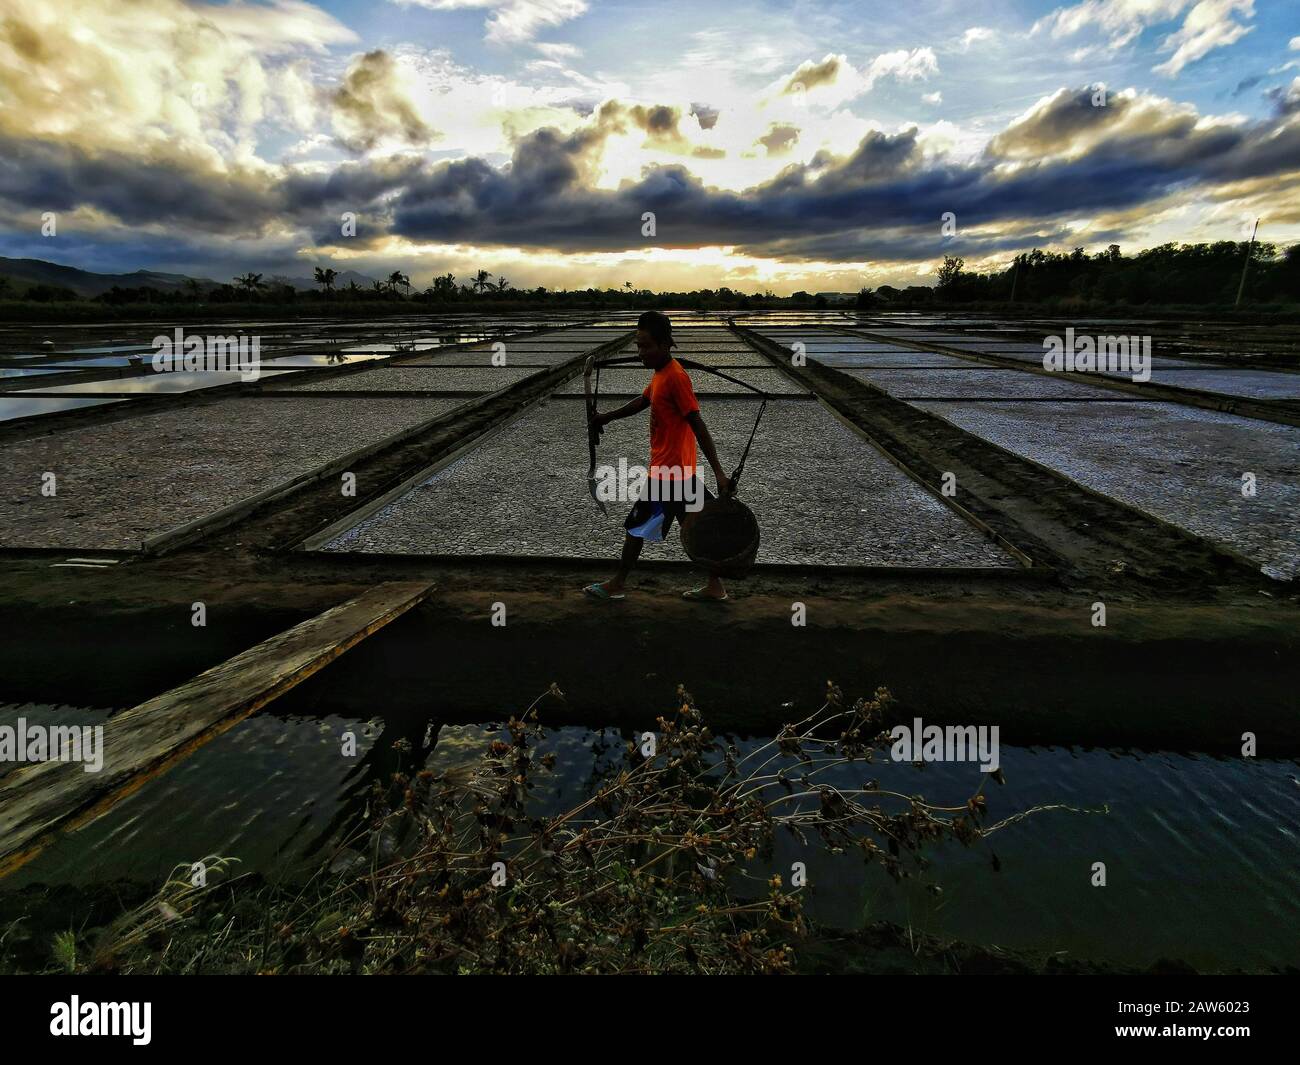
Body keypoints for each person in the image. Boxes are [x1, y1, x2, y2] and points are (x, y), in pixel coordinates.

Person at [583, 310, 732, 602]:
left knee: (637, 528)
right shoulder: (660, 374)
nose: (640, 353)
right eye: (637, 346)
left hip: (670, 473)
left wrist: (718, 472)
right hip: (679, 473)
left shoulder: (676, 378)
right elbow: (644, 400)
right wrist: (606, 417)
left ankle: (617, 584)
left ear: (665, 344)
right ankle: (716, 586)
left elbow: (697, 423)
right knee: (697, 528)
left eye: (646, 346)